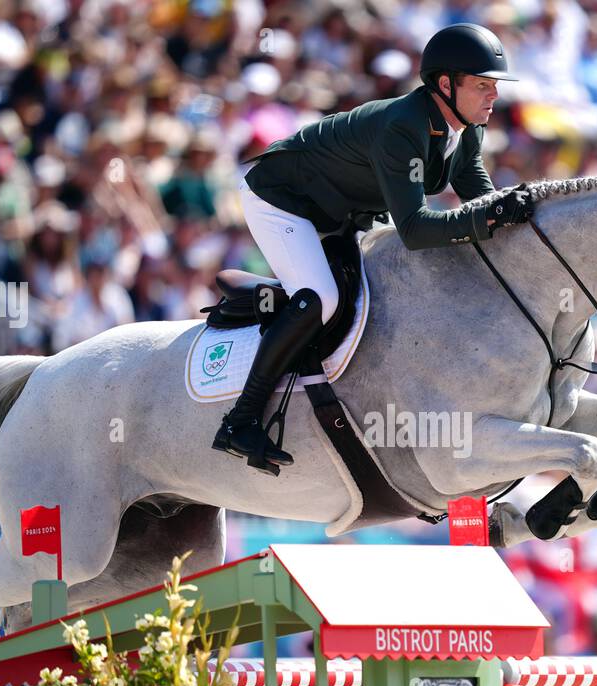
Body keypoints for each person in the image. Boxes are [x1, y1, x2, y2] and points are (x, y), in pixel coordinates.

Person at [215, 23, 536, 474]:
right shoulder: (403, 127)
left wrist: (516, 216)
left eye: (494, 86)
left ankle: (274, 298)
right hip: (282, 201)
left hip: (339, 212)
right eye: (482, 85)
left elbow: (481, 202)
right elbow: (416, 230)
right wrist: (490, 217)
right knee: (321, 299)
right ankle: (239, 421)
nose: (493, 96)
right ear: (445, 85)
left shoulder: (467, 129)